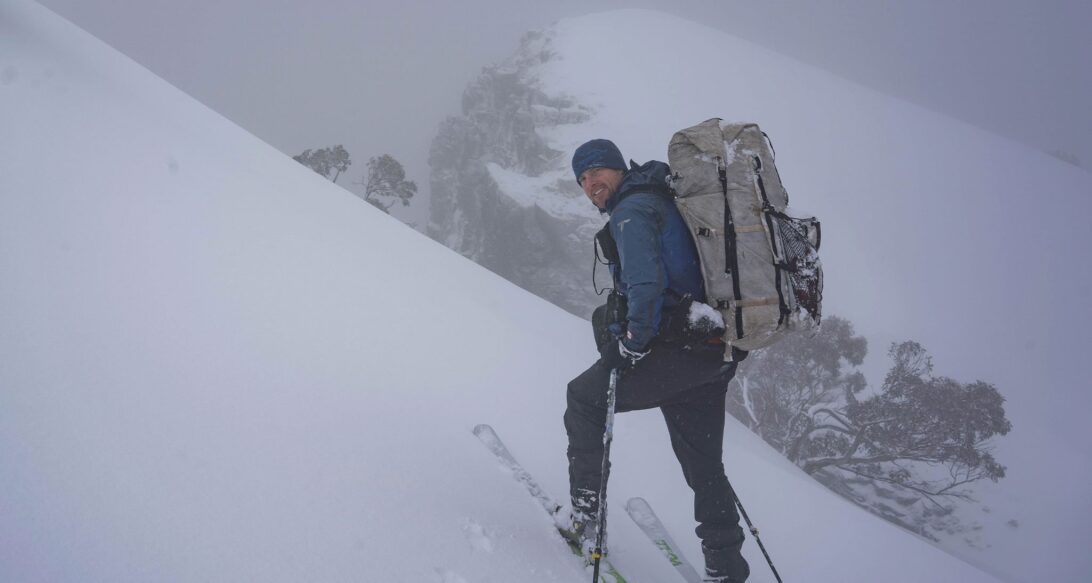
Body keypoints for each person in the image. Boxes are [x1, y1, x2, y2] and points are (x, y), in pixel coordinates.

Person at [564, 139, 750, 583]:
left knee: (584, 400)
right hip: (711, 351)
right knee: (704, 464)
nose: (591, 184)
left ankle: (586, 522)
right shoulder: (661, 200)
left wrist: (631, 345)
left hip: (676, 353)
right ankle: (726, 565)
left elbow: (645, 284)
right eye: (583, 179)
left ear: (617, 168)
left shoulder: (632, 211)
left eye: (597, 172)